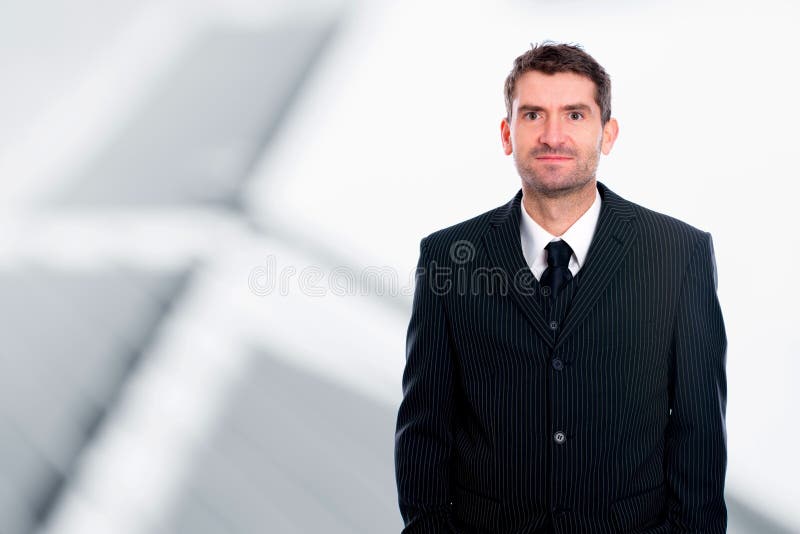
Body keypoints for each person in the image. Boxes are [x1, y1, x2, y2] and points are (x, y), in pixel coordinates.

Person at [394, 42, 727, 534]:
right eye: (533, 115)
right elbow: (425, 430)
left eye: (574, 114)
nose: (553, 135)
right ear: (508, 134)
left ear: (607, 133)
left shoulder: (679, 254)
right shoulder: (448, 257)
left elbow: (699, 436)